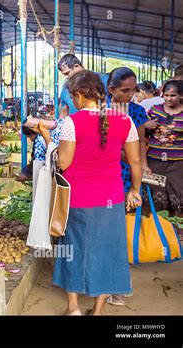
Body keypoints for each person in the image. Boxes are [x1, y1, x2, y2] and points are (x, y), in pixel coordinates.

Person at [36, 70, 142, 316]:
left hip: (77, 199)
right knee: (108, 251)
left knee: (73, 248)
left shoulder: (72, 122)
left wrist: (46, 137)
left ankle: (73, 307)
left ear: (80, 96)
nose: (72, 102)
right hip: (112, 198)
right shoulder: (125, 120)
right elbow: (135, 162)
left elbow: (62, 162)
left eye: (72, 97)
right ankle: (98, 310)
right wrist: (134, 190)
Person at [106, 67, 150, 307]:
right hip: (105, 174)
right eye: (125, 90)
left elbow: (141, 142)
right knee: (111, 231)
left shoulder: (137, 111)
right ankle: (114, 286)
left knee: (119, 229)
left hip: (126, 176)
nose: (130, 95)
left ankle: (118, 288)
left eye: (133, 90)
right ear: (111, 89)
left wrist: (142, 168)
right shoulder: (99, 111)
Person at [145, 80, 183, 217]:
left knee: (177, 194)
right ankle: (156, 226)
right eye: (166, 95)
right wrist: (146, 125)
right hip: (154, 162)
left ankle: (177, 230)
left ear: (181, 96)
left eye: (172, 95)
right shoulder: (155, 110)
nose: (168, 98)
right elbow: (142, 135)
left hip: (177, 164)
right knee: (155, 194)